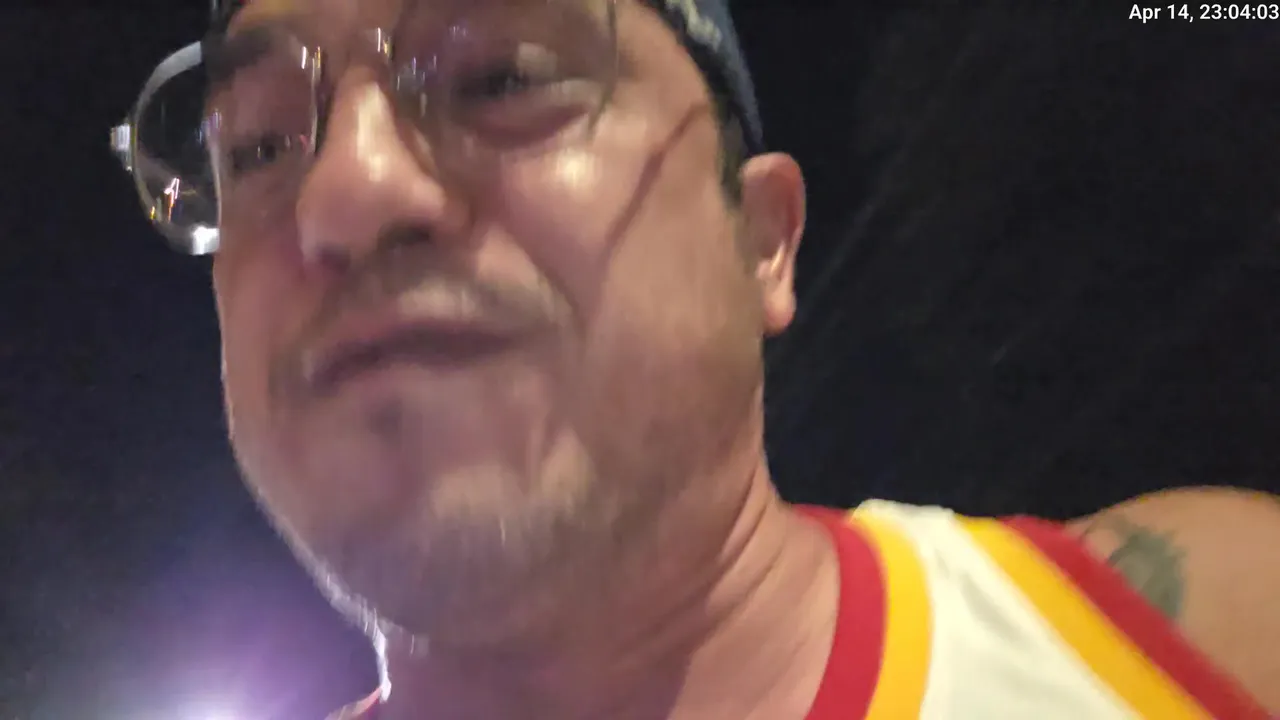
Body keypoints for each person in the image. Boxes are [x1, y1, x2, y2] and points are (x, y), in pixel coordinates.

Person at [111, 0, 1280, 717]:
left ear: (761, 241)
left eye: (499, 77)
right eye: (254, 148)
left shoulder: (1209, 634)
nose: (343, 193)